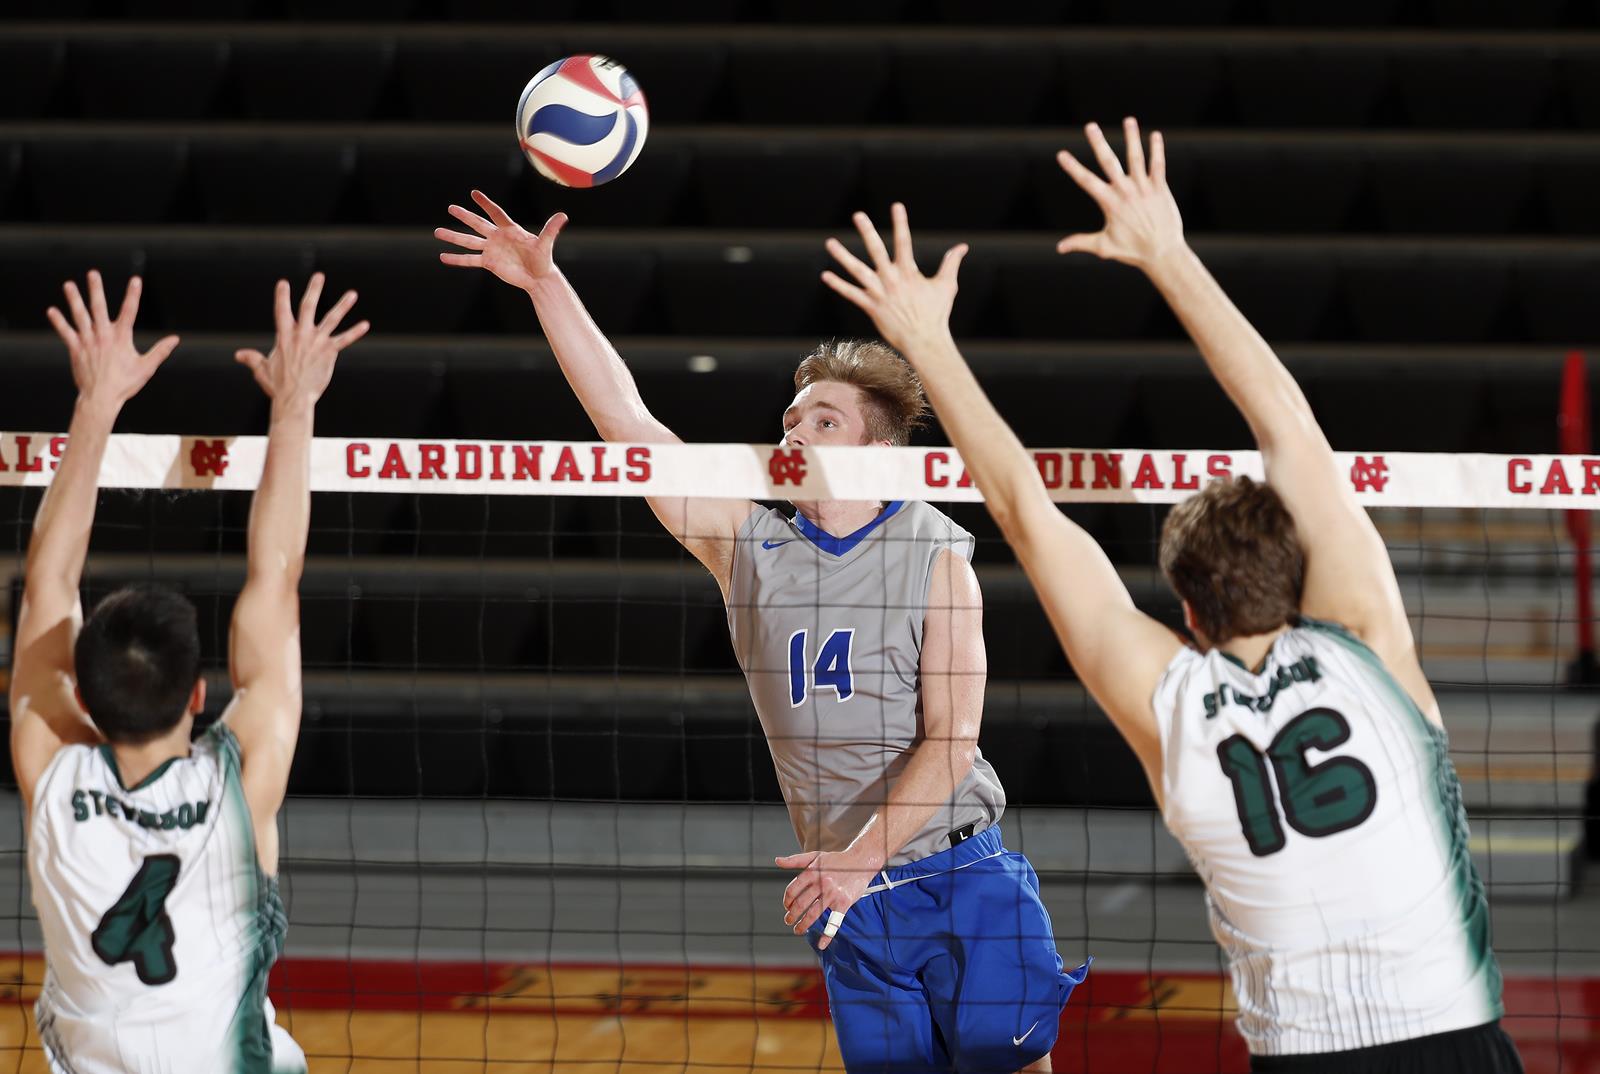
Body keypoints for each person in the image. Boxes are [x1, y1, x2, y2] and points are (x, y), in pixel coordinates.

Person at [819, 120, 1524, 1073]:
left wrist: (925, 343)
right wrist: (1167, 251)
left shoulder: (1171, 704)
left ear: (1186, 615)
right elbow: (1286, 418)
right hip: (1456, 1041)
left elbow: (1024, 511)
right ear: (1303, 572)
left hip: (1306, 1054)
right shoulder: (1370, 646)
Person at [437, 194, 1087, 1073]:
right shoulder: (748, 541)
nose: (794, 429)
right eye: (791, 417)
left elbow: (952, 744)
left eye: (824, 419)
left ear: (876, 449)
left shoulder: (938, 555)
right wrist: (546, 286)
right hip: (850, 897)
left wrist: (856, 863)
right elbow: (629, 426)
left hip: (959, 878)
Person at [11, 270, 368, 1073]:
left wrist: (94, 404)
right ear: (199, 697)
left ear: (86, 698)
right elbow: (276, 575)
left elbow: (45, 587)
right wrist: (295, 404)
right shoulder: (239, 788)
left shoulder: (52, 777)